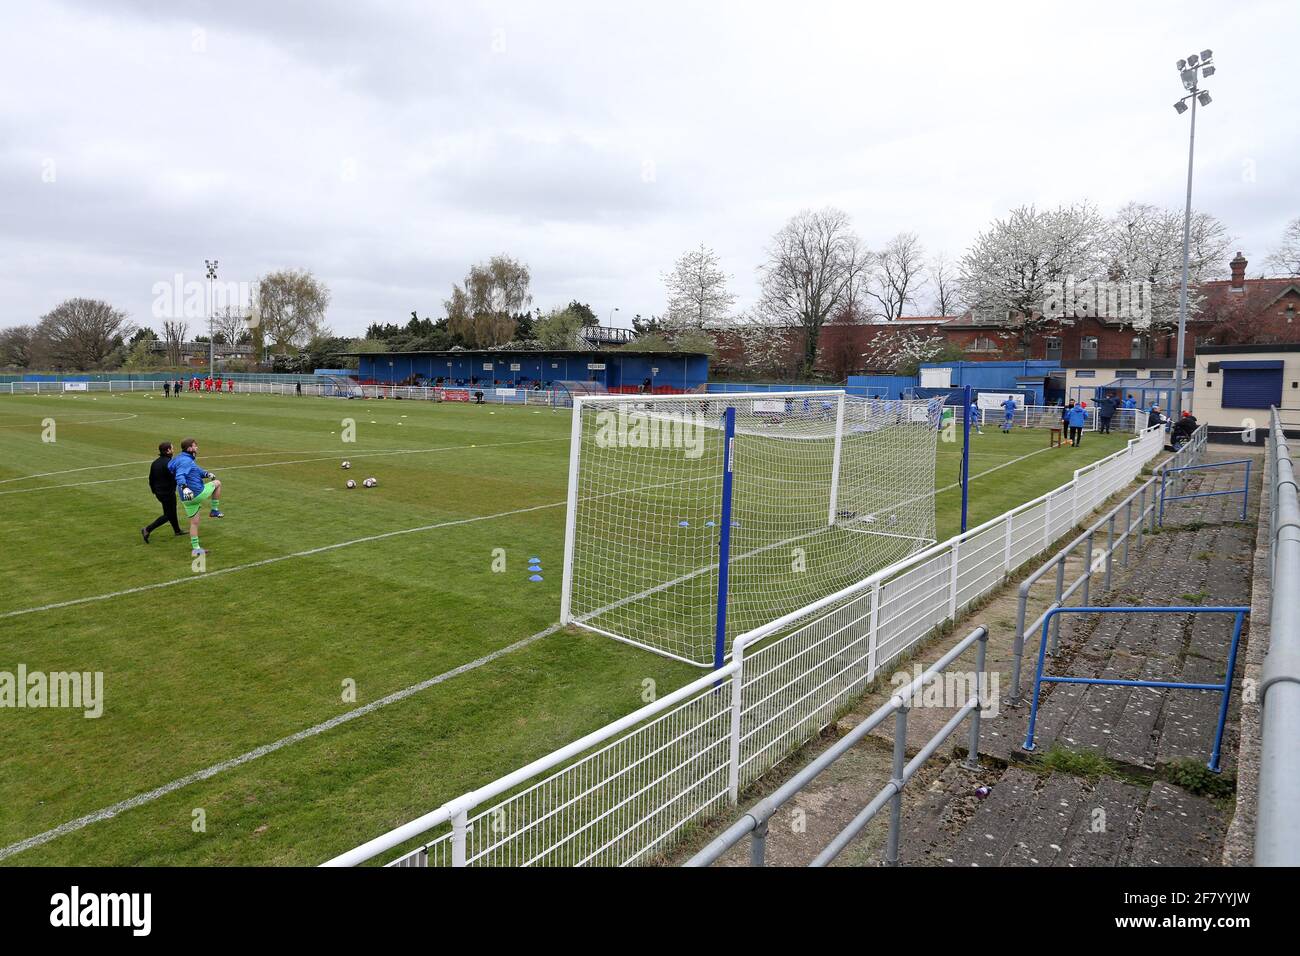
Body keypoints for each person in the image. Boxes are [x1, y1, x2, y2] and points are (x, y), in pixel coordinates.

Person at [169, 438, 224, 557]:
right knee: (218, 483)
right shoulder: (186, 461)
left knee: (194, 523)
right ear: (189, 448)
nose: (197, 447)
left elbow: (194, 470)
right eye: (195, 446)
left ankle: (196, 548)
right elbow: (180, 475)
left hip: (186, 499)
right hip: (196, 493)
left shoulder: (181, 458)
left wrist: (206, 474)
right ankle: (214, 510)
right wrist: (185, 487)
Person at [141, 441, 184, 543]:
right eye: (172, 448)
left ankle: (177, 531)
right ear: (168, 450)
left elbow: (151, 478)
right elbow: (175, 477)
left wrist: (154, 491)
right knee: (168, 515)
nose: (173, 450)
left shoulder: (155, 463)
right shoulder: (170, 463)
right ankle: (147, 529)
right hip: (167, 493)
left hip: (159, 493)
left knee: (170, 511)